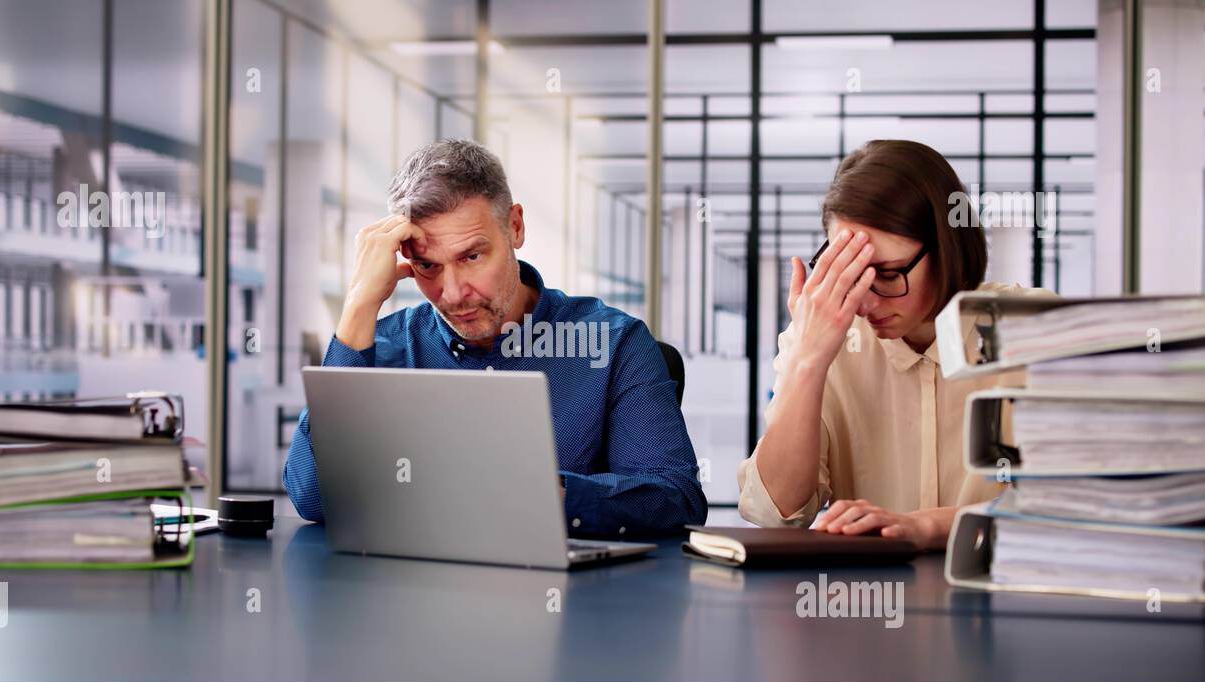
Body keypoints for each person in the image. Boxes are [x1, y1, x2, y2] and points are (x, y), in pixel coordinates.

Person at [285, 139, 706, 535]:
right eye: (428, 267)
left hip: (570, 602)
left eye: (471, 256)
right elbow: (311, 496)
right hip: (411, 594)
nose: (452, 294)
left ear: (515, 227)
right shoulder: (380, 347)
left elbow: (676, 498)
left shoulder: (613, 344)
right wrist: (358, 307)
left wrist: (534, 494)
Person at [736, 139, 1051, 550]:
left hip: (1007, 592)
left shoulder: (1039, 329)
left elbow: (1076, 501)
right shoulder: (823, 335)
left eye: (887, 273)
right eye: (850, 273)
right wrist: (807, 360)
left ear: (947, 250)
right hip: (866, 601)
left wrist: (926, 527)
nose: (864, 300)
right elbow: (775, 512)